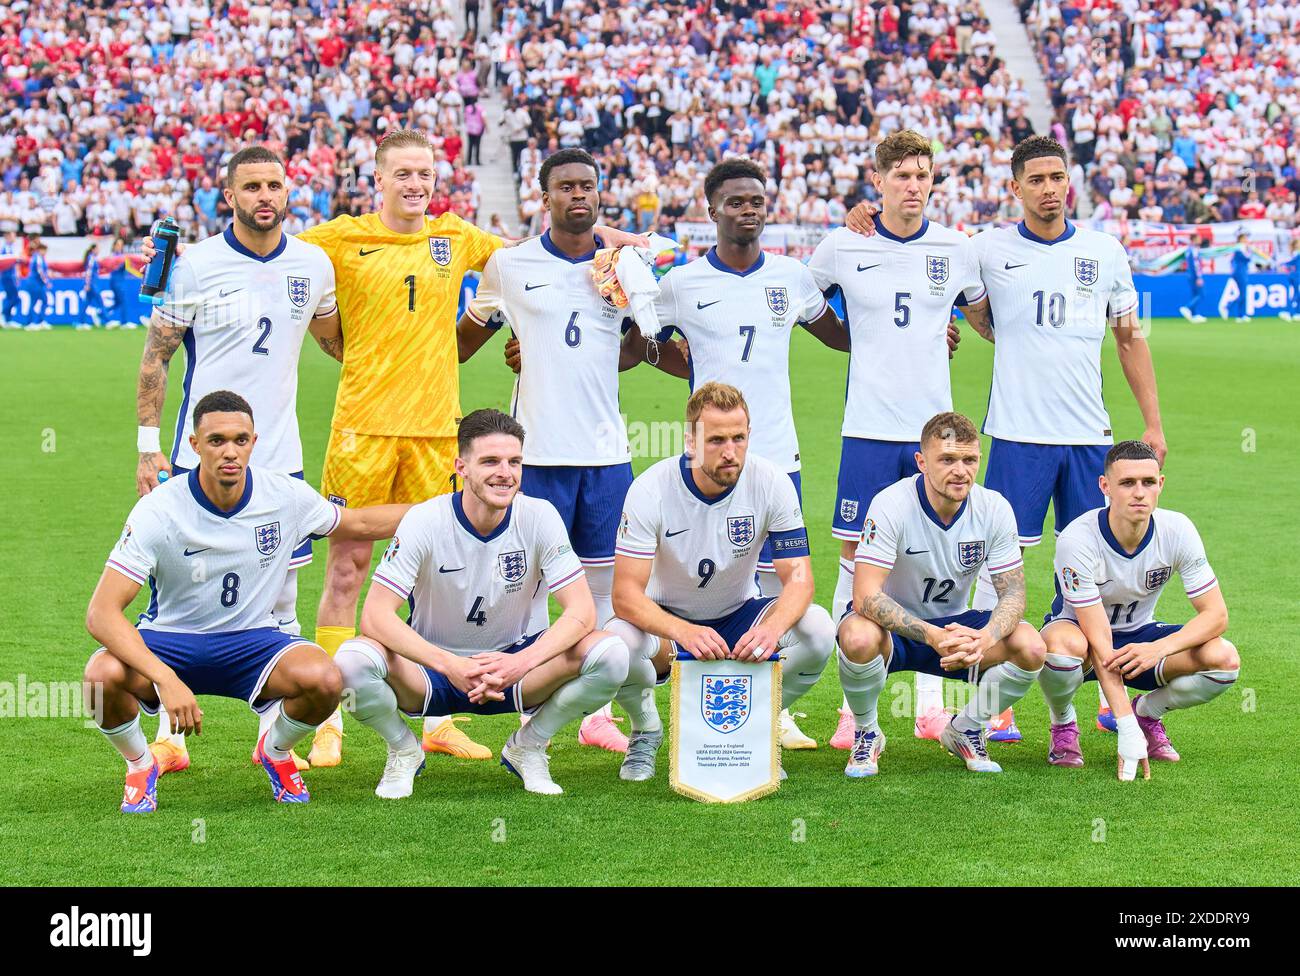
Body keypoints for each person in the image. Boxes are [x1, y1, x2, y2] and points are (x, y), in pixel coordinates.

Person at [83, 391, 411, 813]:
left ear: (254, 442)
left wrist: (446, 507)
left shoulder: (285, 495)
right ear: (194, 445)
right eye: (216, 441)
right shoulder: (158, 510)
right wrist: (165, 678)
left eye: (240, 440)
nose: (230, 452)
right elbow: (101, 613)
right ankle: (139, 765)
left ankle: (275, 753)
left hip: (253, 642)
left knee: (326, 680)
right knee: (98, 678)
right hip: (169, 640)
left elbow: (359, 523)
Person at [456, 148, 678, 754]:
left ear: (600, 196)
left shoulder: (622, 267)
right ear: (543, 195)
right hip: (533, 459)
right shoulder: (510, 264)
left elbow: (637, 346)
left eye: (588, 186)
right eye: (565, 187)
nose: (577, 195)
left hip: (606, 458)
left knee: (611, 597)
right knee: (525, 591)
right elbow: (462, 343)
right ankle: (511, 706)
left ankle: (599, 715)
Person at [134, 147, 343, 775]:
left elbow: (337, 342)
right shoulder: (194, 264)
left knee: (280, 598)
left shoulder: (312, 264)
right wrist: (148, 451)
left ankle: (275, 736)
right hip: (195, 459)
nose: (264, 196)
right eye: (251, 185)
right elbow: (155, 359)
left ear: (288, 191)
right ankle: (169, 737)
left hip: (278, 459)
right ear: (229, 195)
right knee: (174, 594)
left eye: (274, 184)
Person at [960, 135, 1166, 739]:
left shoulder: (1104, 250)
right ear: (1015, 187)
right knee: (997, 564)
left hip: (1087, 437)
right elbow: (956, 290)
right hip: (1018, 436)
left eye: (1058, 177)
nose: (1050, 188)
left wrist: (1152, 425)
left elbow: (1129, 338)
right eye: (1038, 179)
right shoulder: (988, 249)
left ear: (1068, 182)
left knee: (1097, 567)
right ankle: (992, 698)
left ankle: (1105, 695)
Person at [648, 156, 848, 750]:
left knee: (776, 590)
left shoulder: (791, 276)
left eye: (756, 200)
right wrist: (685, 371)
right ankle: (683, 693)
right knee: (717, 573)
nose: (747, 210)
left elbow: (838, 335)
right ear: (711, 210)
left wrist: (922, 329)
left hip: (777, 455)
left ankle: (773, 705)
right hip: (707, 461)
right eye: (734, 201)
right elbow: (638, 346)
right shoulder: (681, 284)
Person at [336, 409, 630, 797]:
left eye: (514, 462)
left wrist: (520, 662)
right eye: (489, 461)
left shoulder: (540, 516)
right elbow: (375, 616)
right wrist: (451, 666)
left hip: (515, 668)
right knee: (350, 662)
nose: (504, 473)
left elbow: (581, 611)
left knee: (611, 654)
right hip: (432, 672)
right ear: (461, 467)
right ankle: (403, 749)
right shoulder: (425, 520)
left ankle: (529, 746)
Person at [808, 130, 990, 747]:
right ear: (878, 179)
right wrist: (856, 339)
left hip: (934, 434)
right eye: (903, 175)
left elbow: (979, 312)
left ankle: (932, 706)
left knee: (937, 556)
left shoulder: (956, 248)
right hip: (866, 429)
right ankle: (852, 706)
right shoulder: (842, 243)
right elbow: (802, 305)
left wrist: (944, 334)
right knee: (854, 560)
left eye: (924, 175)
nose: (914, 186)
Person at [606, 382, 835, 782]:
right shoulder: (650, 489)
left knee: (818, 629)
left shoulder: (771, 482)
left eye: (738, 438)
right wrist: (683, 631)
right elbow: (625, 595)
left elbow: (799, 578)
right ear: (690, 441)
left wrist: (771, 630)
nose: (730, 452)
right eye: (716, 440)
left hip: (740, 613)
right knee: (617, 644)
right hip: (668, 621)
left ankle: (760, 726)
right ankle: (645, 728)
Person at [834, 412, 1045, 777]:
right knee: (856, 636)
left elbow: (1013, 595)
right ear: (922, 462)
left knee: (1031, 646)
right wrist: (931, 635)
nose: (960, 471)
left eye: (969, 460)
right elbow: (865, 596)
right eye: (947, 459)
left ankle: (965, 729)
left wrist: (987, 636)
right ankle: (867, 732)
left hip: (956, 627)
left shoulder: (994, 508)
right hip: (896, 630)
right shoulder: (891, 504)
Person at [1039, 440, 1239, 780]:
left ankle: (1148, 712)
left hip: (1139, 637)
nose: (1139, 493)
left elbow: (1216, 615)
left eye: (1148, 482)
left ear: (1161, 484)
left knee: (1224, 659)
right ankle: (1063, 723)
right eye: (1127, 483)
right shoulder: (1077, 539)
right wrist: (1124, 728)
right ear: (1105, 486)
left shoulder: (1177, 529)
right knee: (1060, 649)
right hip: (1082, 637)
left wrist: (1157, 649)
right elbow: (1100, 641)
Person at [107, 238, 140, 329]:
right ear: (114, 246)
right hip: (116, 281)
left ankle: (101, 313)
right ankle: (124, 322)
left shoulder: (121, 256)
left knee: (118, 302)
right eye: (118, 245)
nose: (120, 247)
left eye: (121, 245)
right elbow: (127, 267)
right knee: (123, 301)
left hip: (119, 281)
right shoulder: (115, 257)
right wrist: (139, 274)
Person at [22, 238, 52, 330]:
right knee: (42, 300)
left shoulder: (36, 257)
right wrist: (46, 282)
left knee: (39, 301)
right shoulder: (38, 258)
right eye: (44, 251)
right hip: (35, 284)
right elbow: (40, 271)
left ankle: (35, 322)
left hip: (34, 283)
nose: (45, 253)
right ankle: (35, 322)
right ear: (40, 250)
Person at [1179, 237, 1207, 323]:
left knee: (1194, 294)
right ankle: (1187, 307)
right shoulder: (1194, 250)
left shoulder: (1188, 250)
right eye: (1198, 238)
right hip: (1195, 275)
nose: (1200, 240)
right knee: (1201, 294)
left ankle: (1194, 315)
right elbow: (1196, 264)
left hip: (1190, 275)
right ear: (1194, 240)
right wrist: (1199, 277)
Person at [80, 242, 105, 329]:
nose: (98, 251)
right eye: (97, 249)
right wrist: (87, 284)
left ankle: (81, 322)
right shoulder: (91, 258)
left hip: (92, 283)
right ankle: (107, 320)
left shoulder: (92, 258)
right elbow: (89, 272)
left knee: (86, 302)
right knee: (99, 301)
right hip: (92, 284)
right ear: (93, 249)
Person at [0, 230, 22, 328]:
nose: (14, 238)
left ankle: (7, 320)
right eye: (13, 236)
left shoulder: (11, 248)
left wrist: (17, 275)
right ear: (8, 237)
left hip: (10, 276)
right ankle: (3, 315)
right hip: (7, 276)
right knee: (15, 298)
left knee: (11, 298)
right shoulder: (6, 249)